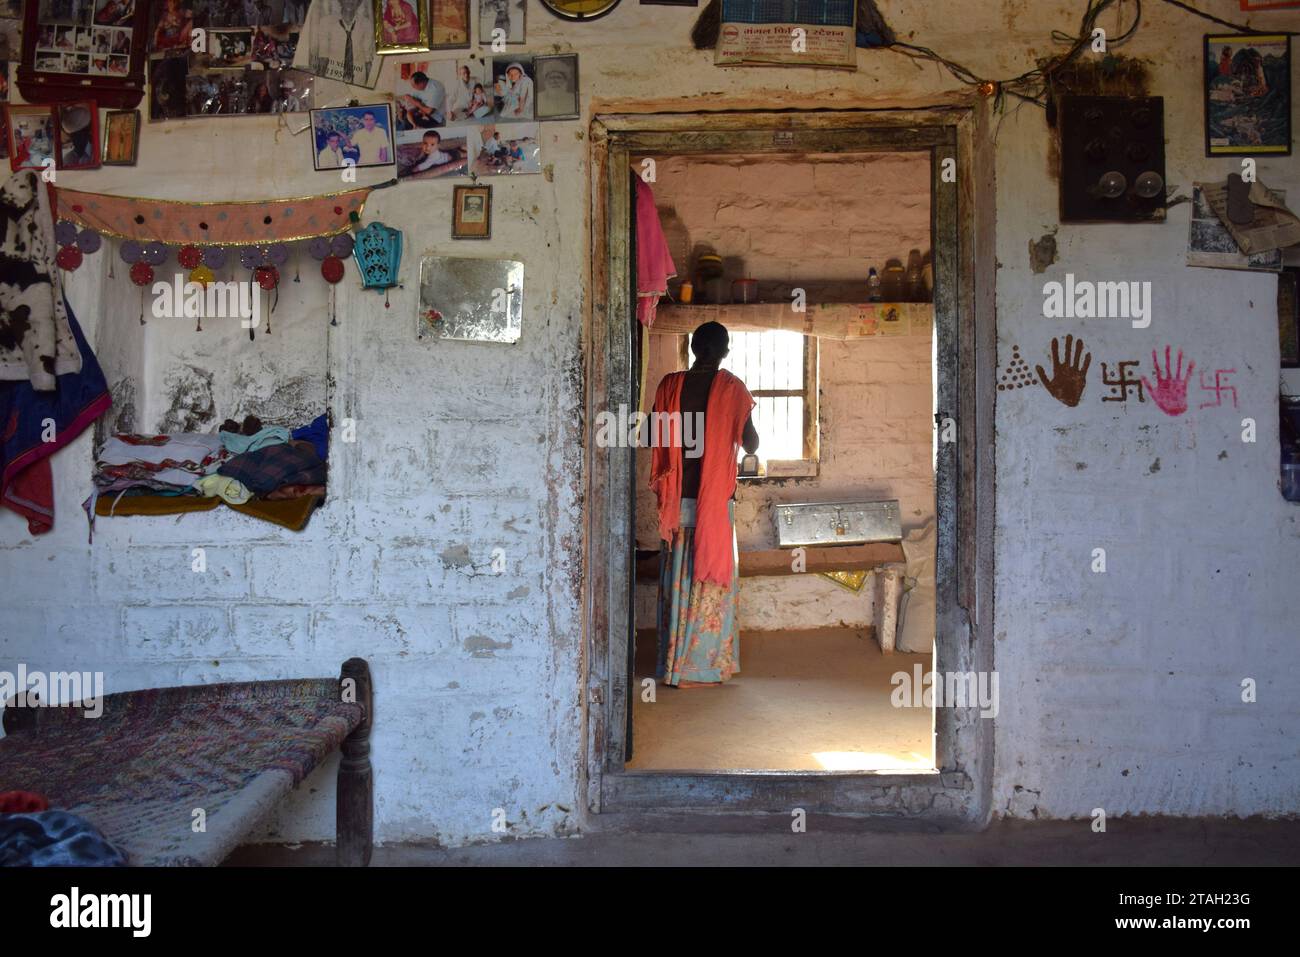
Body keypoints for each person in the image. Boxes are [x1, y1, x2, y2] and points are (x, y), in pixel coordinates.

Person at [650, 322, 759, 688]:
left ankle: (673, 665)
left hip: (677, 499)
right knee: (710, 579)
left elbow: (651, 434)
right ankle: (704, 666)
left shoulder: (669, 385)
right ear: (725, 352)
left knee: (677, 577)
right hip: (712, 501)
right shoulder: (731, 388)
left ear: (693, 347)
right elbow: (752, 445)